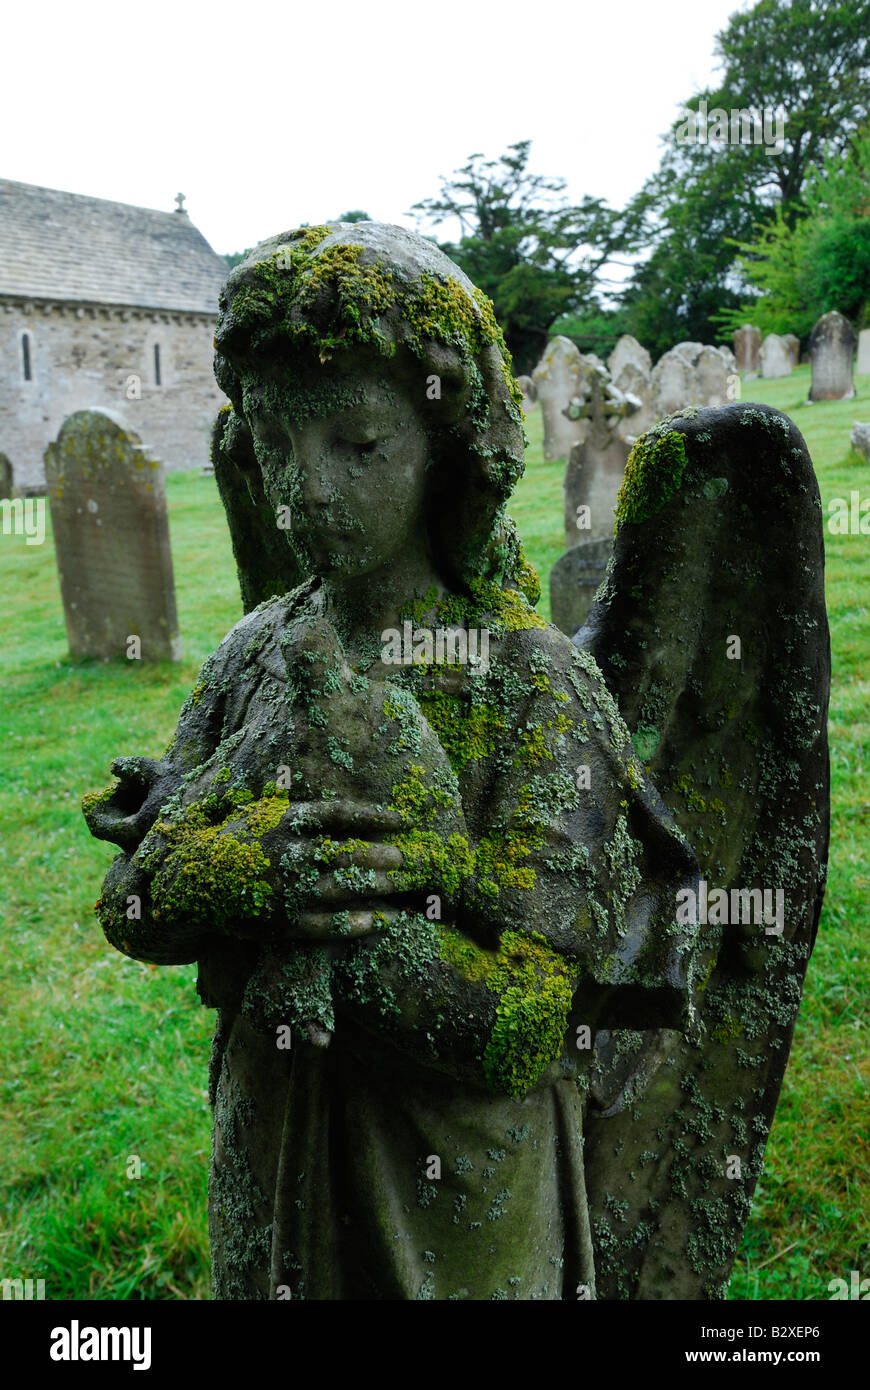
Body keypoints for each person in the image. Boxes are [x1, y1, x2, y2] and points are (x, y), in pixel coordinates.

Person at [84, 222, 698, 1300]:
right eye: (276, 441)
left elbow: (523, 1027)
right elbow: (134, 901)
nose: (304, 488)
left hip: (457, 1198)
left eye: (357, 446)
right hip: (274, 1161)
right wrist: (244, 873)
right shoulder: (257, 650)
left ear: (449, 445)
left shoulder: (528, 683)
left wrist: (314, 937)